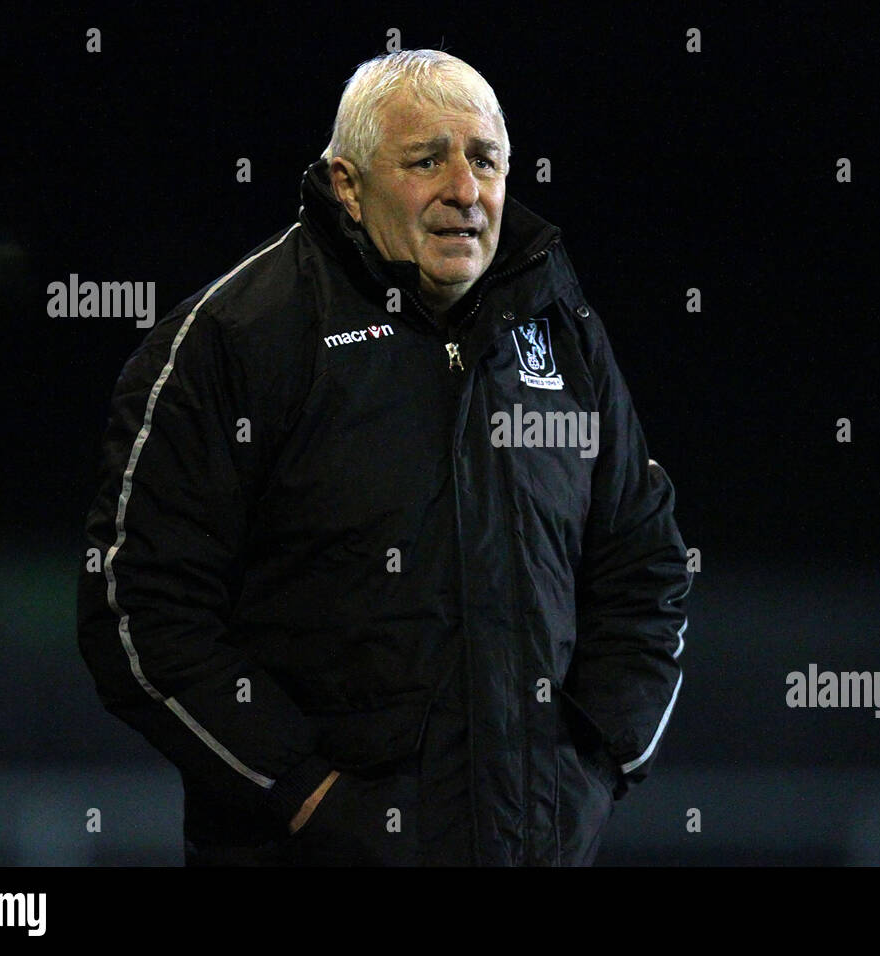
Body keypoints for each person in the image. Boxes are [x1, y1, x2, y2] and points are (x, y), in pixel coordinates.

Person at [76, 48, 691, 866]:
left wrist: (601, 760)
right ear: (347, 185)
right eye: (426, 159)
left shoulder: (560, 329)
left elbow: (645, 565)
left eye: (485, 159)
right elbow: (137, 608)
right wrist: (303, 795)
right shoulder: (237, 339)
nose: (464, 190)